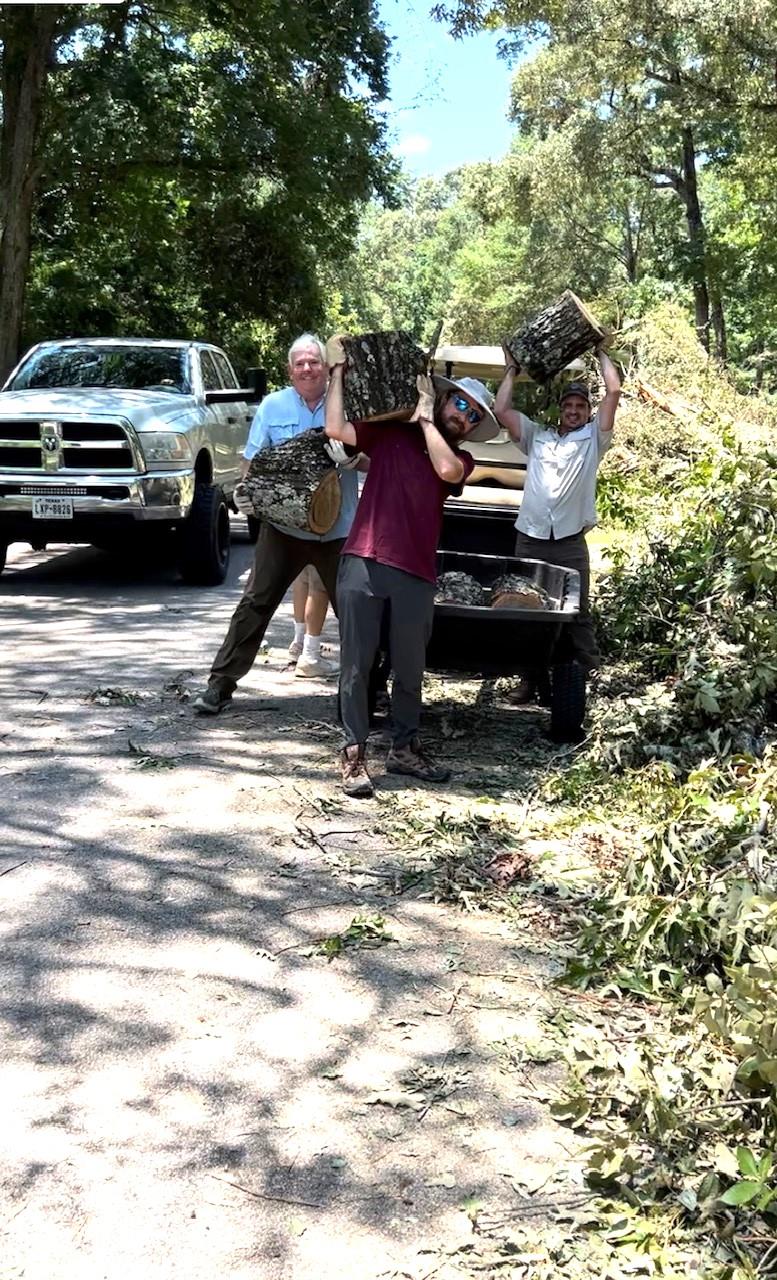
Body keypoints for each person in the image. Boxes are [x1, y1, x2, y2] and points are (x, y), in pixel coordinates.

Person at [326, 350, 499, 797]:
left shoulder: (460, 459)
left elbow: (445, 469)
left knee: (409, 670)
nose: (464, 416)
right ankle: (353, 755)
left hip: (416, 574)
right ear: (442, 401)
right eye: (459, 404)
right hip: (363, 561)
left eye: (473, 414)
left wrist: (425, 422)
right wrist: (338, 373)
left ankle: (403, 750)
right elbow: (335, 428)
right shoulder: (389, 435)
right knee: (356, 666)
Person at [193, 334, 361, 714]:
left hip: (338, 530)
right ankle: (219, 685)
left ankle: (368, 691)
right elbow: (252, 460)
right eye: (300, 363)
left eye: (314, 361)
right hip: (283, 530)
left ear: (327, 366)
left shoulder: (347, 404)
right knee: (255, 602)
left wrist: (354, 460)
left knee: (355, 611)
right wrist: (245, 491)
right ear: (290, 369)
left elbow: (374, 457)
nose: (307, 368)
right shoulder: (273, 406)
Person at [493, 345, 621, 715]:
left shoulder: (594, 440)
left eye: (581, 406)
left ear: (587, 412)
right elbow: (502, 411)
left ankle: (592, 680)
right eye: (569, 405)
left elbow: (613, 392)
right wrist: (512, 371)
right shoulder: (538, 437)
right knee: (525, 611)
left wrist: (601, 351)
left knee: (578, 613)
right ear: (561, 409)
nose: (574, 411)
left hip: (568, 541)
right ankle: (530, 681)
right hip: (530, 537)